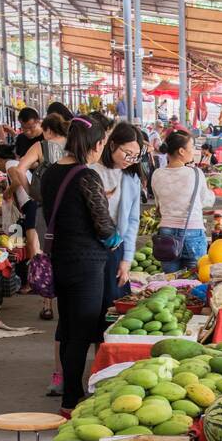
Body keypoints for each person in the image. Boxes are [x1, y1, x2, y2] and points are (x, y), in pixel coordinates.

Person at [40, 115, 121, 411]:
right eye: (101, 144)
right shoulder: (86, 175)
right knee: (82, 333)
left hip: (61, 260)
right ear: (96, 144)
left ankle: (71, 396)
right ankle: (72, 401)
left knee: (70, 327)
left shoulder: (49, 174)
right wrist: (117, 242)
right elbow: (103, 225)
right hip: (87, 263)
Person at [14, 113, 69, 317]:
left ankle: (47, 306)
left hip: (46, 206)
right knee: (67, 252)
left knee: (47, 253)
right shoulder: (75, 144)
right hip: (71, 206)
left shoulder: (41, 146)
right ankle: (68, 301)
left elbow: (19, 169)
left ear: (47, 130)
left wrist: (30, 192)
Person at [150, 129, 215, 273]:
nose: (193, 151)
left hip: (166, 233)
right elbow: (206, 201)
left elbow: (158, 204)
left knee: (170, 282)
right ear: (181, 151)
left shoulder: (157, 174)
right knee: (194, 282)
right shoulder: (195, 173)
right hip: (192, 232)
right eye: (191, 147)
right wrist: (210, 191)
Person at [93, 121, 142, 308]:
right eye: (127, 153)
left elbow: (132, 220)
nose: (130, 160)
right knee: (92, 303)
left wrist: (126, 259)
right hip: (91, 248)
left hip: (116, 249)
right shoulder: (91, 172)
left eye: (135, 156)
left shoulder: (131, 178)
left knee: (114, 303)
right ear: (112, 145)